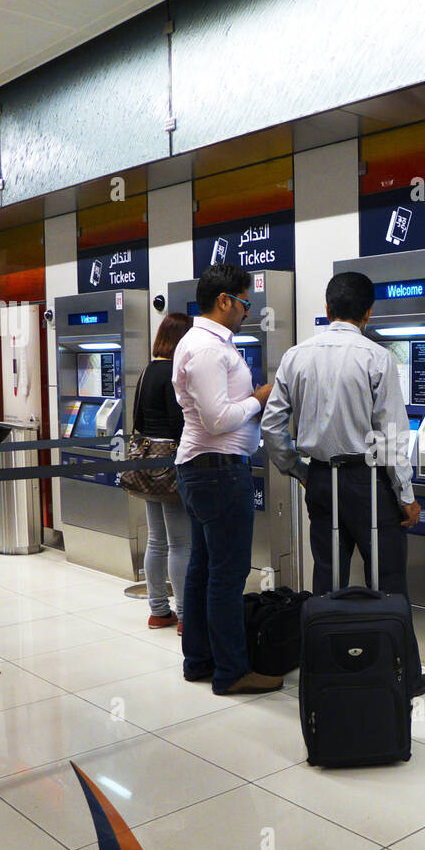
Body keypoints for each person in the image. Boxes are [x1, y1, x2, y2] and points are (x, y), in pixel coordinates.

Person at [261, 271, 425, 697]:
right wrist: (407, 497)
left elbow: (271, 426)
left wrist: (300, 471)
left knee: (328, 579)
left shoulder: (295, 356)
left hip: (321, 480)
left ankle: (329, 669)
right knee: (388, 580)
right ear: (369, 313)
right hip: (368, 482)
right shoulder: (376, 358)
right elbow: (390, 437)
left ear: (326, 308)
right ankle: (402, 675)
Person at [173, 265, 280, 694]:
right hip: (216, 470)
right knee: (226, 574)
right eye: (244, 303)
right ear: (224, 301)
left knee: (204, 569)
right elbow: (218, 419)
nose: (246, 312)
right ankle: (231, 671)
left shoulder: (205, 344)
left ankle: (200, 660)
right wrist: (258, 399)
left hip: (206, 470)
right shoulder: (206, 349)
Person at [135, 312, 192, 633]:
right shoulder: (173, 373)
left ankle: (158, 610)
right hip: (171, 463)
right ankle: (185, 615)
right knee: (181, 543)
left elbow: (138, 421)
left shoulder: (146, 371)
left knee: (156, 541)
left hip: (146, 463)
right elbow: (178, 424)